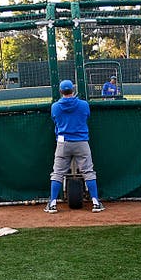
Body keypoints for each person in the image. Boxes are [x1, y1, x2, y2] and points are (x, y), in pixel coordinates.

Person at [45, 80, 104, 214]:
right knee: (88, 171)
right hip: (81, 142)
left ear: (61, 91)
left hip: (63, 142)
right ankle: (95, 202)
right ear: (73, 90)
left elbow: (55, 120)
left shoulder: (55, 106)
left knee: (57, 173)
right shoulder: (83, 105)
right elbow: (86, 116)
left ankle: (53, 204)